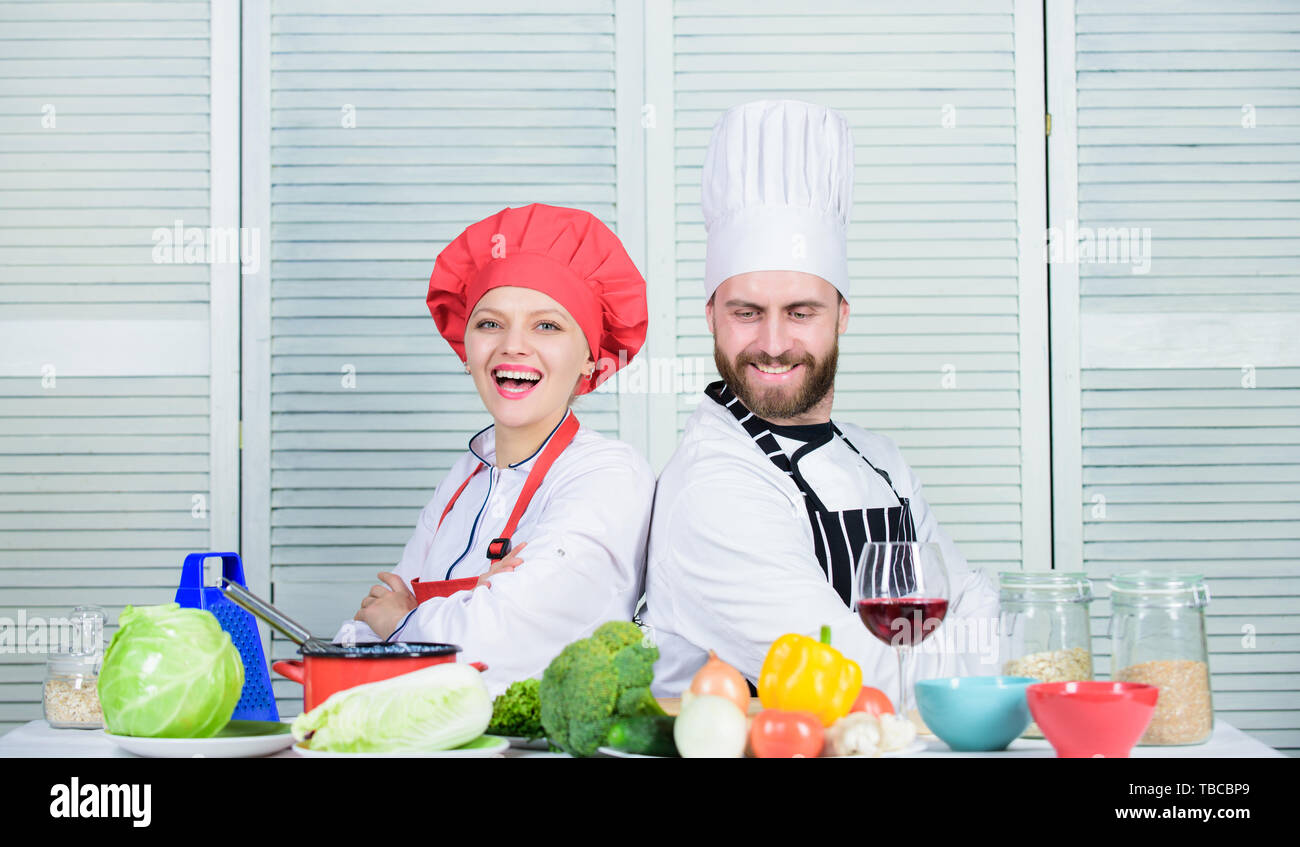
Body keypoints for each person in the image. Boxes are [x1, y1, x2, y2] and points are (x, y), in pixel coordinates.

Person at [641, 100, 1000, 700]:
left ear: (842, 316)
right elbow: (858, 681)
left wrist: (972, 641)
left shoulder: (880, 462)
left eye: (801, 312)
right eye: (746, 312)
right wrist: (963, 651)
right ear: (710, 317)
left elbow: (977, 606)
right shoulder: (713, 489)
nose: (774, 343)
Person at [336, 203, 655, 695]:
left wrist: (405, 619)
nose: (513, 346)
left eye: (546, 326)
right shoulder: (461, 480)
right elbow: (360, 631)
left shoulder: (609, 475)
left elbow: (508, 644)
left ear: (590, 362)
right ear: (467, 352)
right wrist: (464, 603)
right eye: (490, 324)